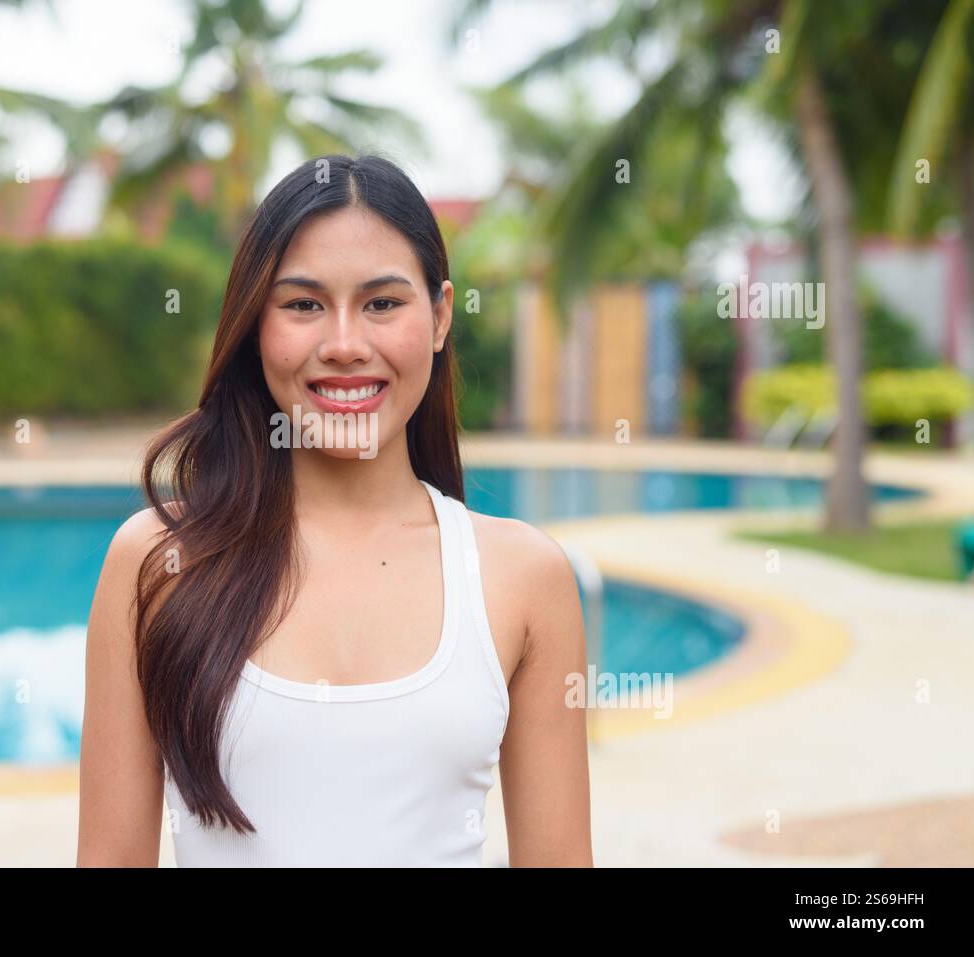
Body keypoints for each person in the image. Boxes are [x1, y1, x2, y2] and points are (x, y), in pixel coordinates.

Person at [77, 153, 592, 867]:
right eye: (303, 304)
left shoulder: (524, 576)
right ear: (255, 324)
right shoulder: (157, 562)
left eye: (383, 303)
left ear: (441, 316)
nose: (345, 345)